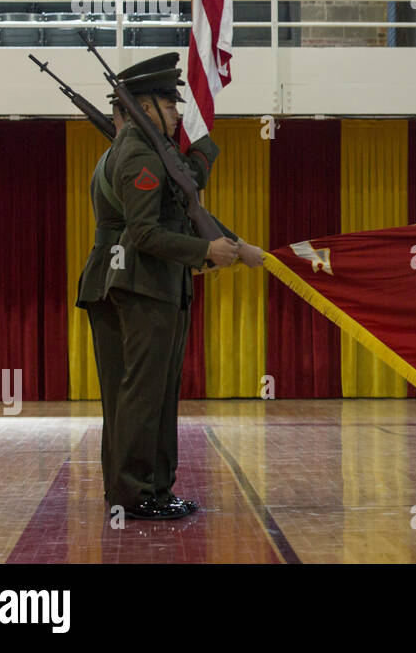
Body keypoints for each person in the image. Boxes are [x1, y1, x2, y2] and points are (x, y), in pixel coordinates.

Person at [93, 54, 265, 519]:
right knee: (143, 395)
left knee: (155, 393)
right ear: (145, 106)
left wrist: (236, 245)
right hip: (144, 285)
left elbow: (183, 212)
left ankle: (151, 487)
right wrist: (207, 253)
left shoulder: (147, 150)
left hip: (158, 284)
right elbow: (145, 232)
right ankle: (135, 494)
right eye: (170, 104)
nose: (178, 113)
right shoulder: (139, 153)